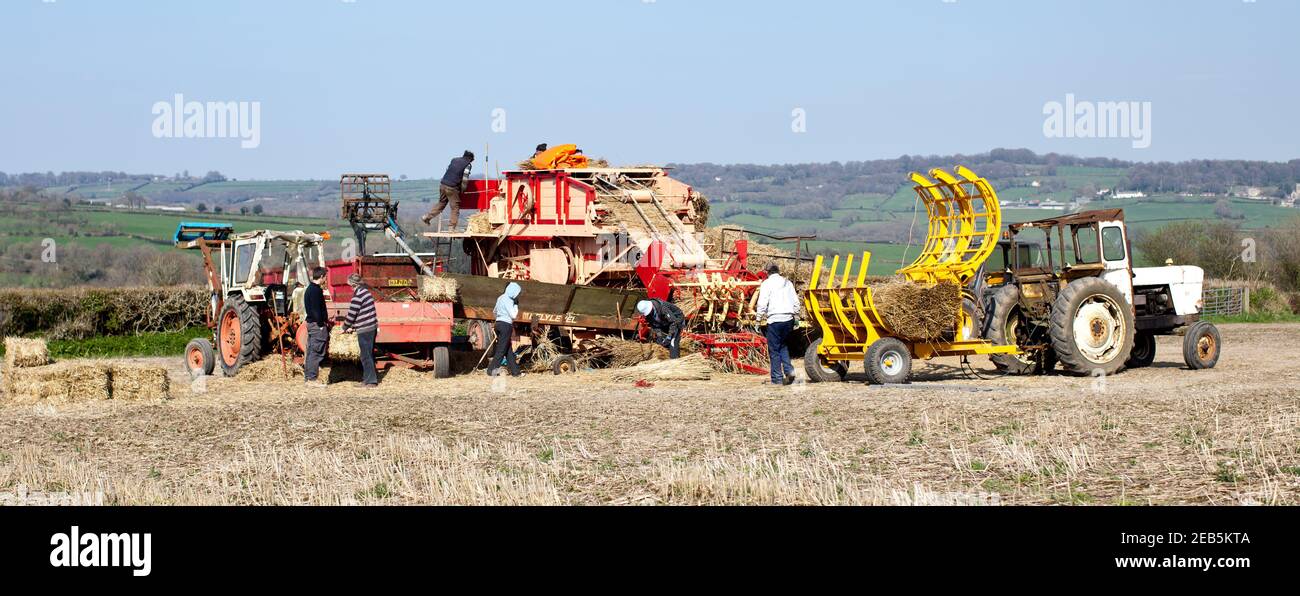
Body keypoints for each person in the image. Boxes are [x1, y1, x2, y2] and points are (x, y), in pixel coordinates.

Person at [756, 262, 801, 386]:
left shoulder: (766, 284)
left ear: (767, 272)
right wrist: (796, 317)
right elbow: (796, 302)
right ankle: (789, 371)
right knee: (783, 345)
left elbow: (762, 303)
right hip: (788, 319)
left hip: (775, 320)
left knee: (774, 349)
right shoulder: (788, 283)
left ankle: (777, 379)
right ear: (778, 271)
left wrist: (758, 319)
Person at [341, 273, 380, 388]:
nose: (350, 287)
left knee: (365, 356)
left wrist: (344, 327)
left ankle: (371, 381)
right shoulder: (366, 292)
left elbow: (352, 314)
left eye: (350, 285)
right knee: (368, 354)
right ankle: (367, 379)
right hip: (371, 327)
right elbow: (363, 313)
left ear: (353, 284)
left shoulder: (358, 295)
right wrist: (353, 326)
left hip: (365, 329)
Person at [422, 150, 475, 230]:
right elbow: (465, 179)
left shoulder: (454, 160)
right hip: (452, 187)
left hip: (443, 184)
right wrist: (463, 190)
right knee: (455, 207)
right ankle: (452, 227)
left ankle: (427, 217)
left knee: (441, 203)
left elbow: (448, 170)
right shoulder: (468, 164)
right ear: (470, 159)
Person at [487, 282, 523, 378]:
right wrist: (515, 305)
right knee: (501, 350)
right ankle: (491, 370)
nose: (517, 295)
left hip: (498, 324)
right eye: (517, 293)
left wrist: (499, 318)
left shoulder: (500, 297)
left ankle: (516, 372)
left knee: (508, 351)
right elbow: (513, 315)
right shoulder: (508, 300)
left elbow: (494, 311)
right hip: (506, 325)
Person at [303, 267, 330, 386]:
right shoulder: (316, 291)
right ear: (321, 277)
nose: (326, 279)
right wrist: (320, 324)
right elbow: (315, 310)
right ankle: (312, 379)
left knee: (311, 351)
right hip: (316, 324)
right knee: (317, 351)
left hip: (311, 324)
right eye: (325, 277)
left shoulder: (310, 289)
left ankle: (309, 377)